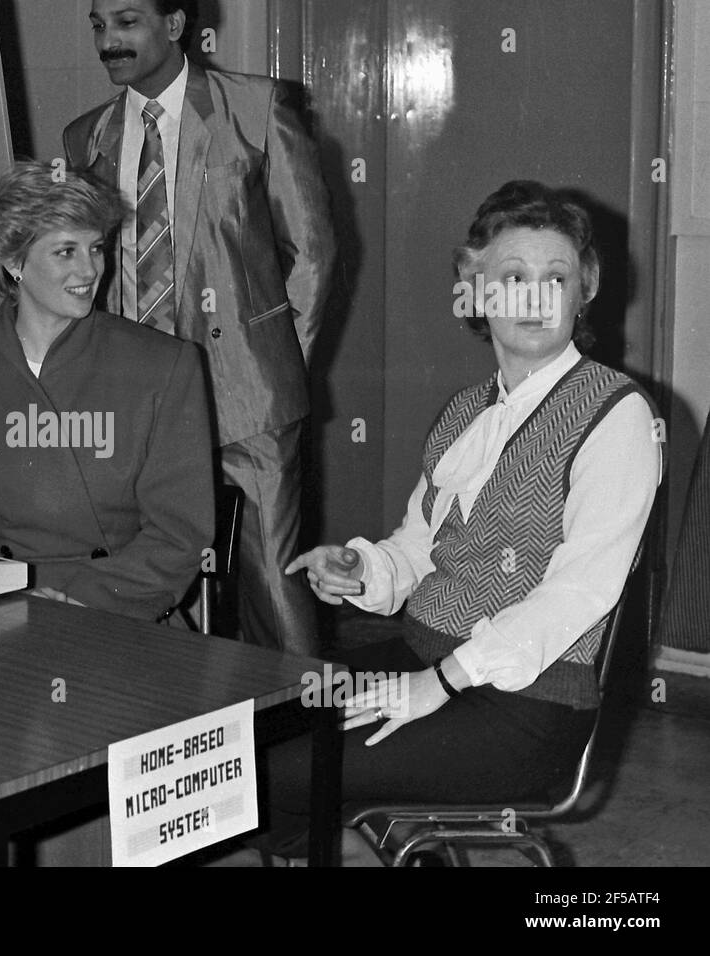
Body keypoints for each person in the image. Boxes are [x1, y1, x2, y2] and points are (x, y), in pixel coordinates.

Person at [265, 180, 662, 864]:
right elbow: (420, 548)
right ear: (477, 291)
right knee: (247, 731)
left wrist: (440, 683)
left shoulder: (618, 414)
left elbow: (579, 594)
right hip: (420, 658)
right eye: (513, 277)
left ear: (582, 293)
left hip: (521, 711)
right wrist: (365, 570)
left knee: (274, 771)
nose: (536, 297)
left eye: (556, 278)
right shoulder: (465, 412)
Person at [63, 0, 336, 653]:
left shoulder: (256, 109)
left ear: (177, 23)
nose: (108, 41)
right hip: (135, 406)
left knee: (273, 581)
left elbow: (315, 256)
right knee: (141, 580)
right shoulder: (87, 139)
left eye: (125, 21)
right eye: (98, 26)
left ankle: (301, 731)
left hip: (248, 404)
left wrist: (268, 365)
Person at [0, 160, 214, 624]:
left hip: (123, 610)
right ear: (12, 261)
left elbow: (179, 534)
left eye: (96, 248)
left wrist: (84, 599)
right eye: (65, 251)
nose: (90, 270)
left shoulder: (163, 365)